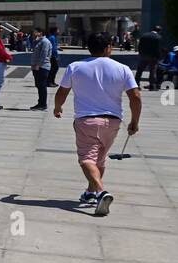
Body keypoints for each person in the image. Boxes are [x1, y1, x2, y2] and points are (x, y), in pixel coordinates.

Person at [53, 31, 142, 217]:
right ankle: (90, 193)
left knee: (86, 159)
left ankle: (101, 192)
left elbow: (62, 91)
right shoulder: (122, 68)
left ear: (88, 47)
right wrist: (134, 121)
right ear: (109, 47)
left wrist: (58, 107)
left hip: (87, 120)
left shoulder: (75, 67)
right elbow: (135, 96)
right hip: (113, 121)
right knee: (99, 159)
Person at [29, 25, 52, 110]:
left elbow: (44, 55)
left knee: (42, 86)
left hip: (42, 67)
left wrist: (38, 65)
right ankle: (40, 103)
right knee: (39, 86)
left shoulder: (45, 42)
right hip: (37, 67)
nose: (33, 33)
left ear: (40, 33)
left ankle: (43, 104)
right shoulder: (39, 41)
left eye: (35, 32)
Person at [136, 25, 163, 90]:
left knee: (140, 70)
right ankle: (152, 86)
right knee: (152, 71)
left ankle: (136, 84)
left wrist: (140, 53)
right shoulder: (158, 37)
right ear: (159, 31)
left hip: (143, 55)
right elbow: (158, 49)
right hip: (153, 57)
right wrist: (159, 57)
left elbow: (140, 45)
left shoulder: (144, 35)